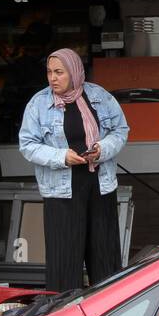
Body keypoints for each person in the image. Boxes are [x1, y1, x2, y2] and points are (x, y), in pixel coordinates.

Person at [18, 48, 130, 293]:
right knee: (64, 261)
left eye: (59, 72)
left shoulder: (100, 96)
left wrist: (102, 149)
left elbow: (121, 130)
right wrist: (61, 157)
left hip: (99, 186)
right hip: (61, 193)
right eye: (49, 72)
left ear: (75, 72)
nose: (52, 78)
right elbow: (27, 144)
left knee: (104, 258)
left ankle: (108, 314)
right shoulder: (38, 104)